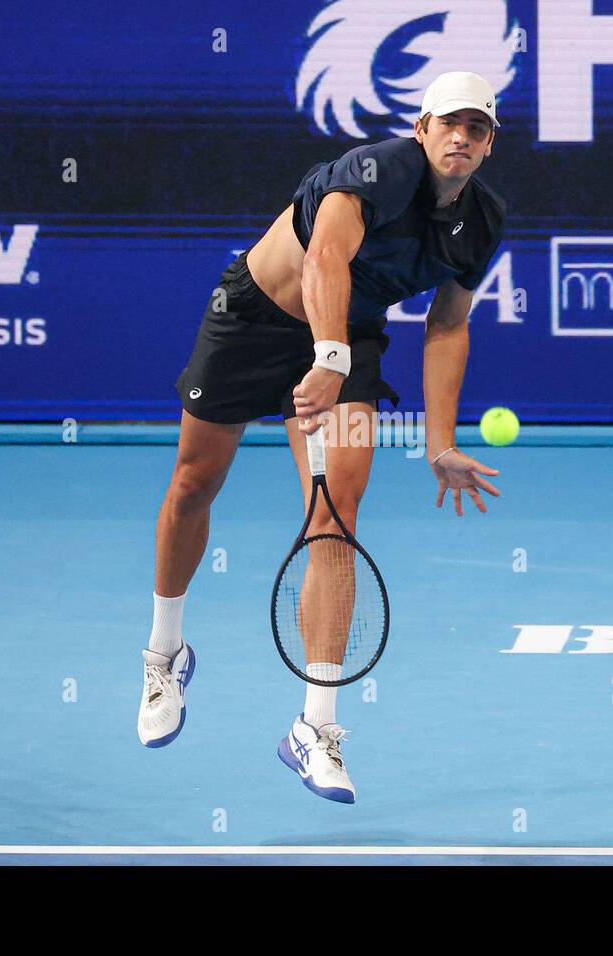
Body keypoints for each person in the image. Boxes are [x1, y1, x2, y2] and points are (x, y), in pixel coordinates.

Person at [139, 71, 506, 803]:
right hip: (256, 319)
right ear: (423, 128)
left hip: (353, 336)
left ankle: (315, 727)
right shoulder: (376, 170)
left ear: (489, 143)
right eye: (448, 124)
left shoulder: (482, 223)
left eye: (477, 128)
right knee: (194, 483)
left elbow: (448, 325)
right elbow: (325, 258)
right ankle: (164, 654)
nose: (460, 138)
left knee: (335, 517)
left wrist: (438, 442)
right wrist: (327, 358)